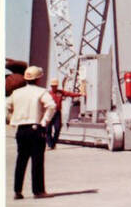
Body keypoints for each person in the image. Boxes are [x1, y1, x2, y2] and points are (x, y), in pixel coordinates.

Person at [6, 66, 56, 199]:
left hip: (21, 130)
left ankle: (17, 191)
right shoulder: (41, 92)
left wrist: (12, 119)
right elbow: (52, 106)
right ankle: (38, 191)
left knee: (21, 160)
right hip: (35, 129)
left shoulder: (16, 92)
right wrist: (44, 122)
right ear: (38, 79)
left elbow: (6, 106)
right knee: (37, 160)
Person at [46, 77, 79, 149]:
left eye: (55, 86)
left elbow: (70, 94)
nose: (54, 87)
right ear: (51, 86)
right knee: (48, 129)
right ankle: (49, 144)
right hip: (49, 112)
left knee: (58, 128)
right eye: (53, 86)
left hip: (57, 113)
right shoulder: (48, 93)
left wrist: (79, 94)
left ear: (57, 86)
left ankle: (53, 143)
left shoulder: (60, 92)